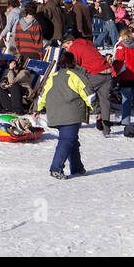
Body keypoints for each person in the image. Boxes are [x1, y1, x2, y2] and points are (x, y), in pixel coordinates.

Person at [37, 50, 95, 180]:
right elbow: (88, 94)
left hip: (55, 114)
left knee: (72, 140)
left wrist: (37, 109)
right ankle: (56, 169)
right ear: (73, 62)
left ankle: (77, 167)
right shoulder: (76, 75)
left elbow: (43, 95)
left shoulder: (54, 76)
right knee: (66, 141)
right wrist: (97, 110)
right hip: (71, 114)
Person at [63, 33, 114, 134]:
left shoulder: (74, 48)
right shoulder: (87, 44)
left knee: (78, 94)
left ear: (70, 42)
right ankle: (106, 129)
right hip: (107, 72)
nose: (66, 50)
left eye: (65, 47)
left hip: (96, 73)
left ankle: (75, 122)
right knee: (104, 101)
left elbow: (73, 67)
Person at [112, 27, 134, 128]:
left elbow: (118, 62)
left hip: (126, 75)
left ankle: (125, 121)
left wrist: (115, 74)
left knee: (126, 100)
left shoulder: (121, 46)